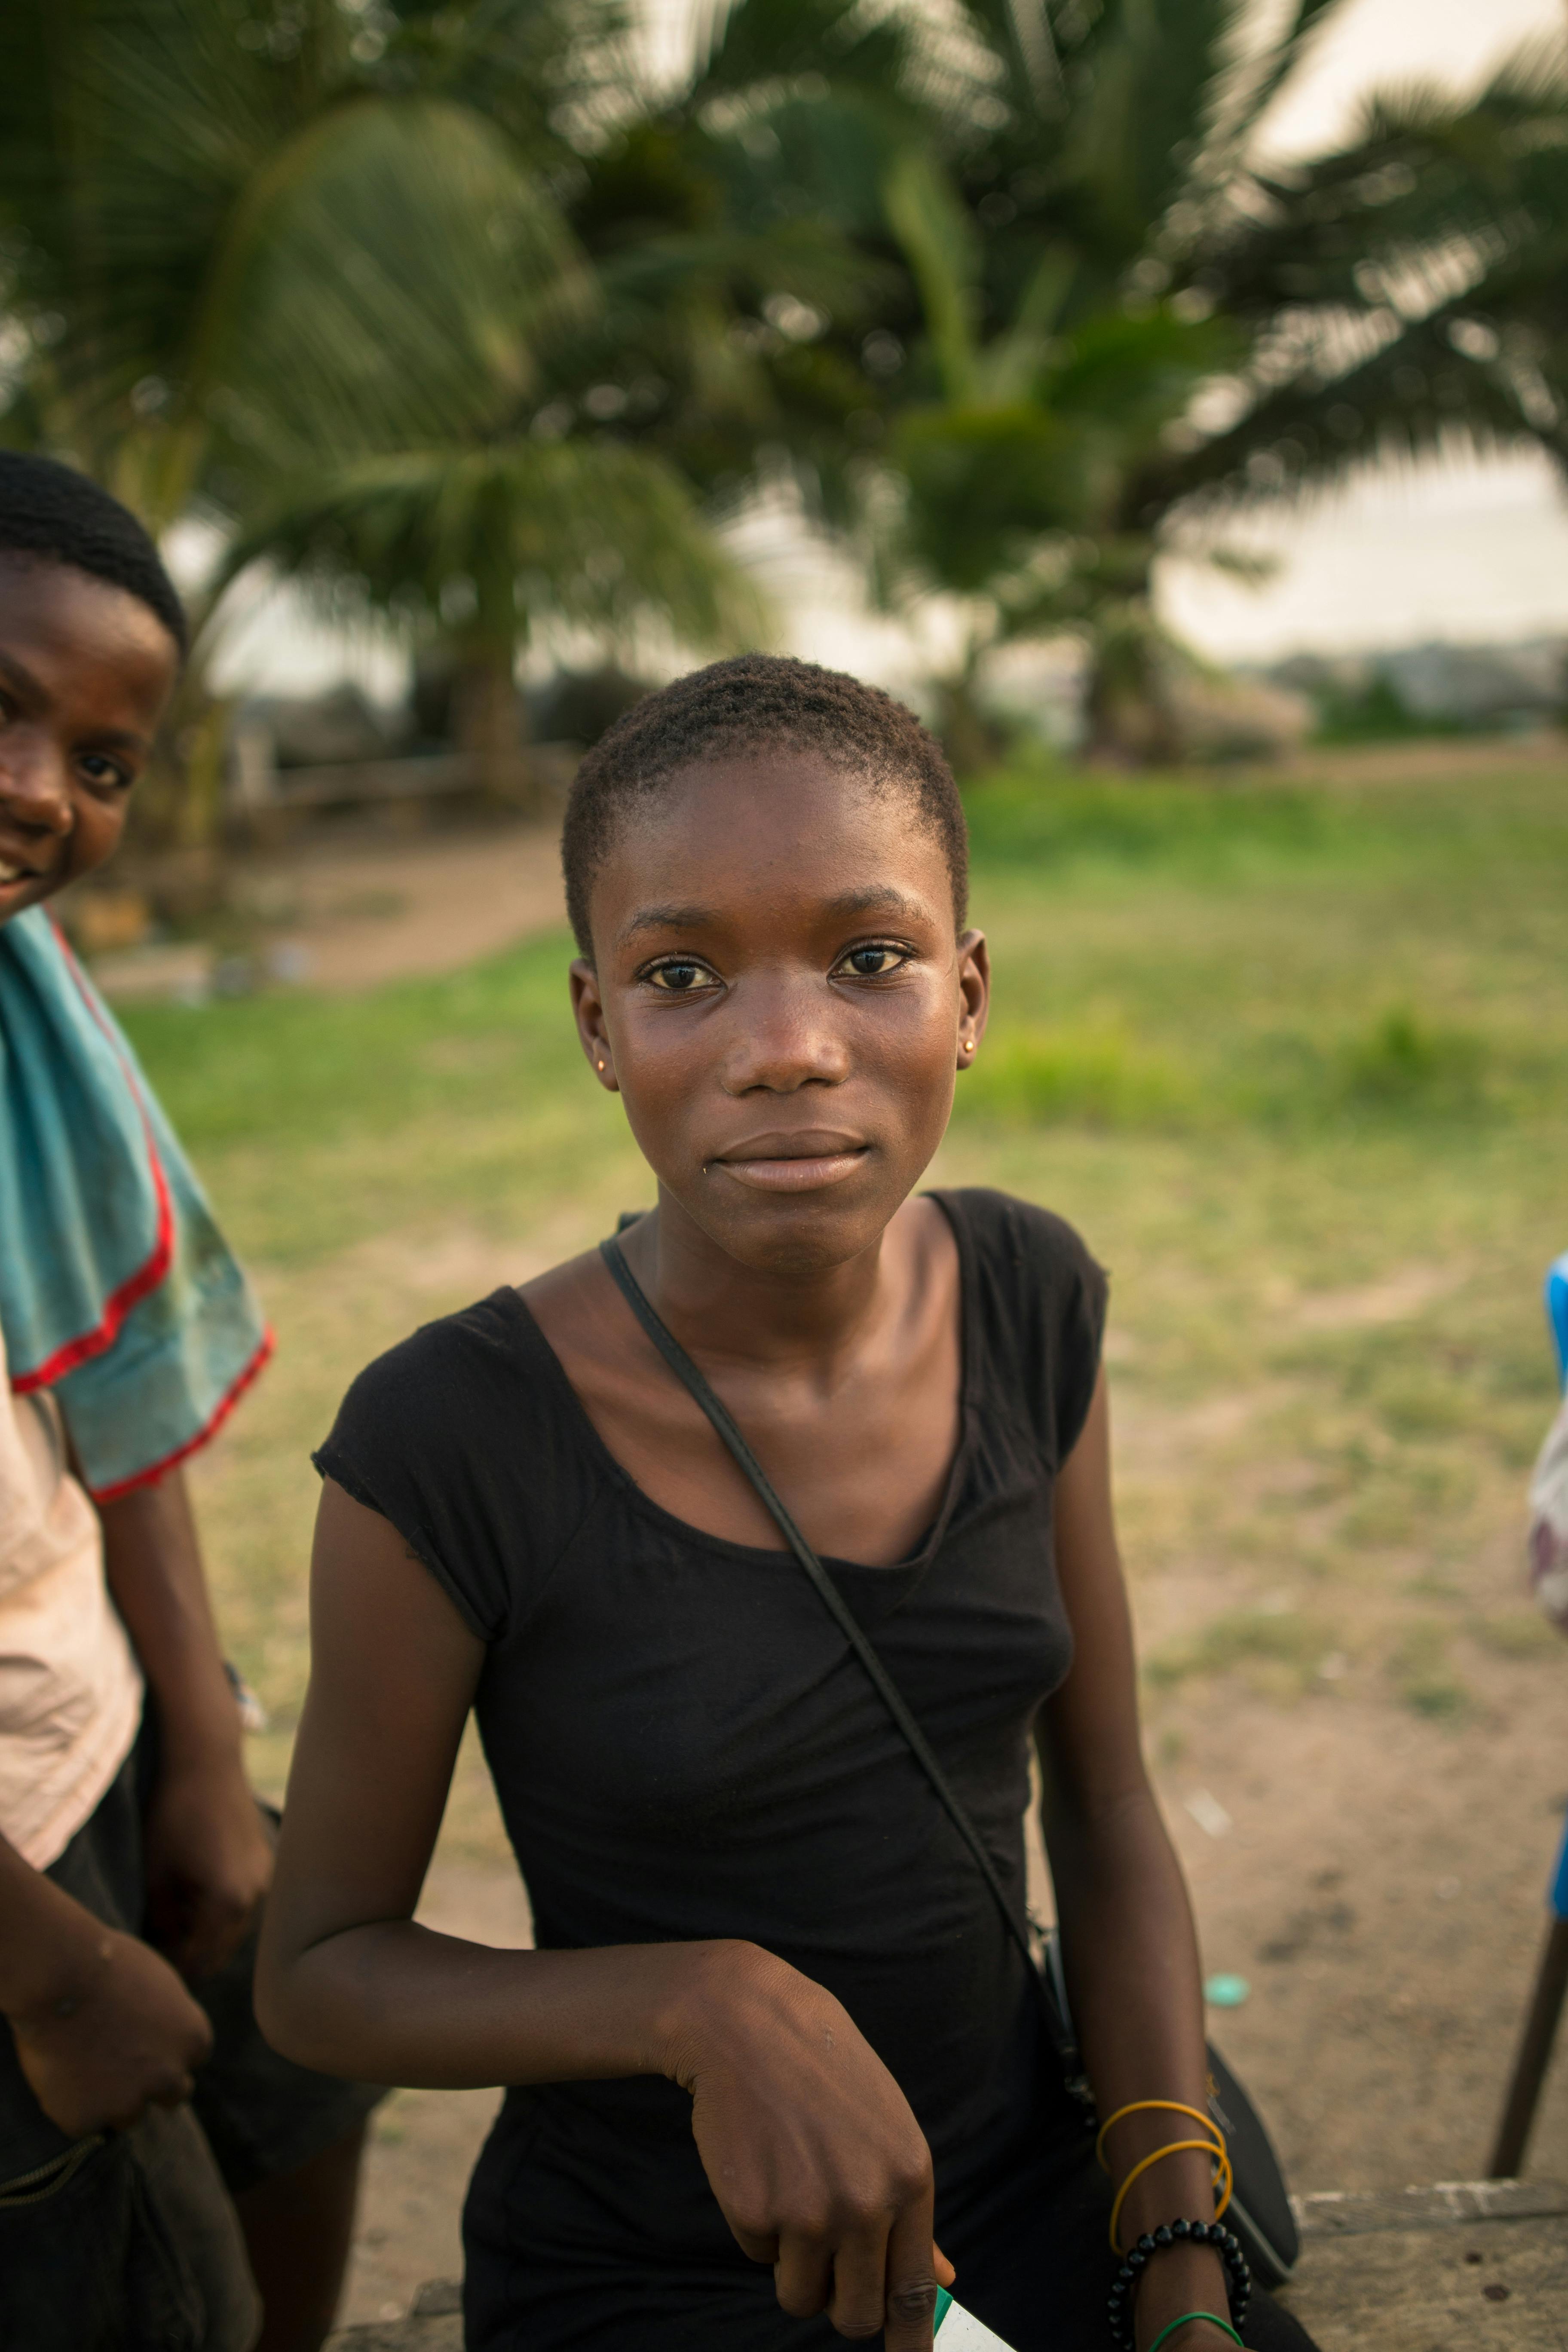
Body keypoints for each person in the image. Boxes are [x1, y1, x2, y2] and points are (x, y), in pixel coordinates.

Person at [258, 656, 1320, 2352]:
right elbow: (317, 1971)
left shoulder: (1031, 1301)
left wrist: (1178, 2258)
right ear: (600, 1023)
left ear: (968, 994)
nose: (787, 1050)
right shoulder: (449, 1437)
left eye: (869, 958)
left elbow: (1108, 1813)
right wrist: (703, 2004)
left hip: (1035, 2190)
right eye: (684, 974)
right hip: (663, 2269)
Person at [0, 452, 378, 2352]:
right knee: (148, 2289)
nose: (40, 791)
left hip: (95, 1731)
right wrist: (51, 1972)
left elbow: (108, 1392)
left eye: (106, 760)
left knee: (301, 2060)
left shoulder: (21, 1019)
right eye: (2, 706)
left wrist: (207, 1755)